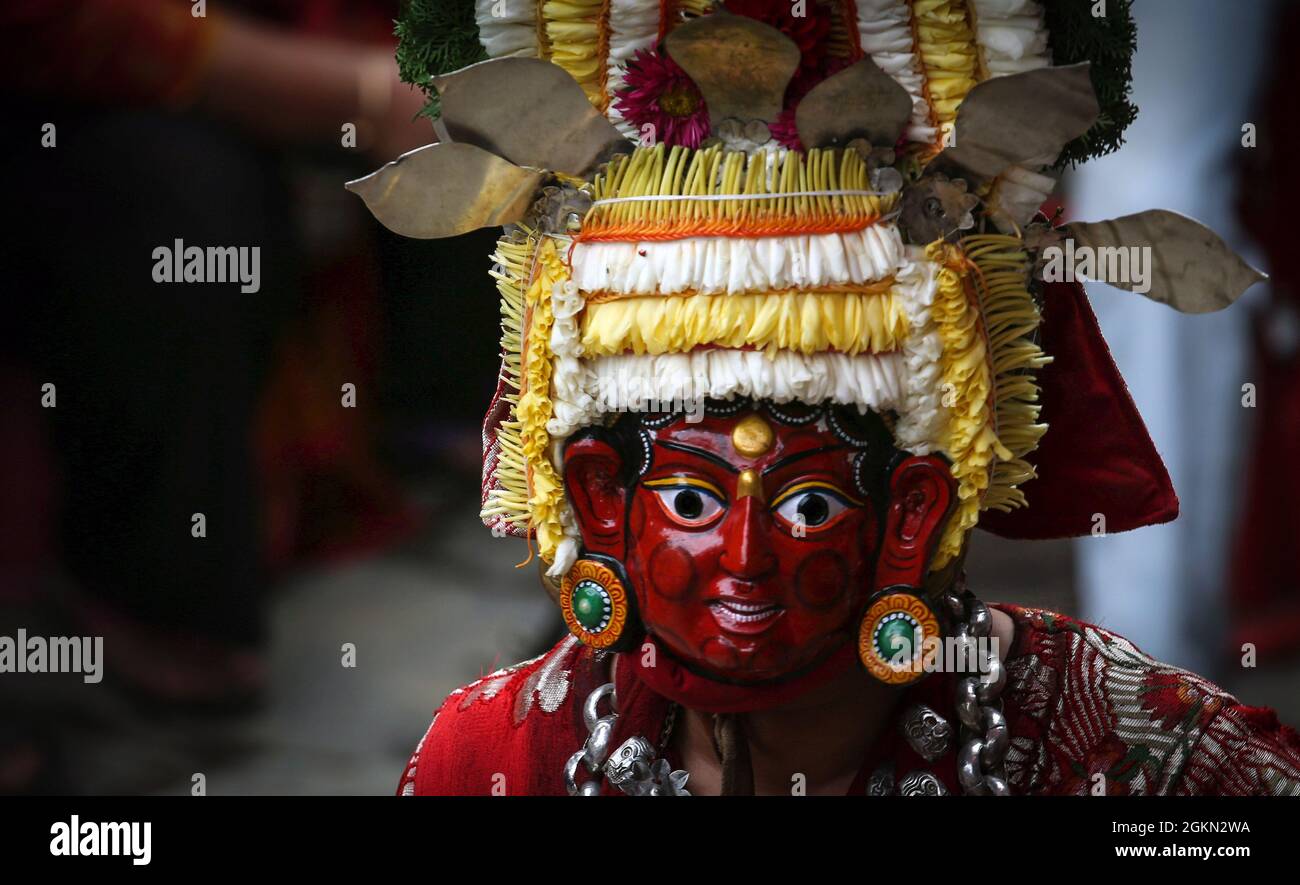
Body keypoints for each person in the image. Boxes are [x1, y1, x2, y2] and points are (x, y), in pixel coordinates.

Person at [353, 0, 1300, 795]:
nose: (747, 558)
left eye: (812, 503)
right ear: (598, 495)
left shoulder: (1144, 764)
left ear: (913, 509)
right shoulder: (491, 763)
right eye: (690, 498)